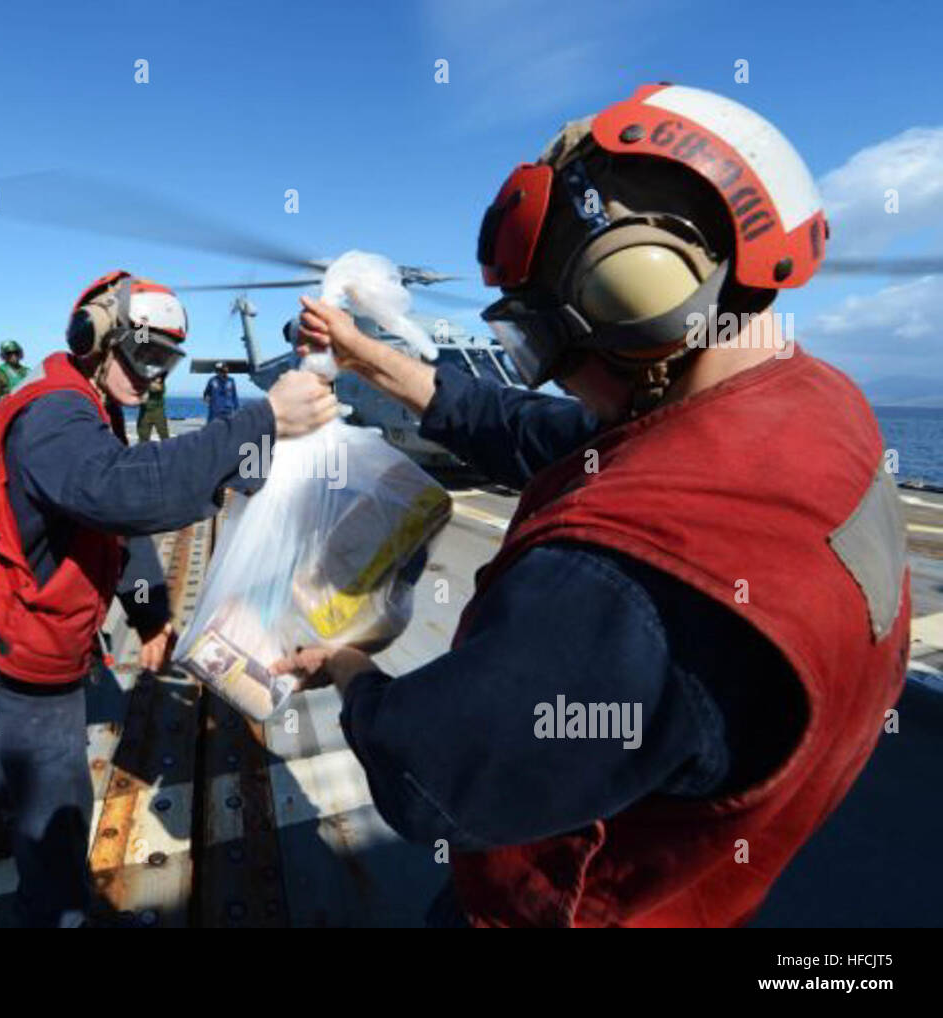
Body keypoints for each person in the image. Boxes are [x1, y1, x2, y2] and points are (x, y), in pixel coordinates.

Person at [281, 83, 910, 928]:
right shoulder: (815, 406)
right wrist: (366, 359)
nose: (541, 369)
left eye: (541, 337)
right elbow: (540, 429)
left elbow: (435, 778)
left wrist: (352, 672)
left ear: (631, 300)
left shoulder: (624, 578)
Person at [0, 271, 335, 927]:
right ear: (95, 337)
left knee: (5, 745)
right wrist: (260, 419)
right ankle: (56, 912)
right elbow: (119, 493)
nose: (154, 376)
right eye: (146, 355)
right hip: (23, 636)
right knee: (57, 800)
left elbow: (108, 525)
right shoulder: (55, 413)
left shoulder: (89, 403)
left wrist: (148, 612)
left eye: (166, 361)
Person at [0, 340, 30, 407]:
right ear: (3, 356)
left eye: (16, 352)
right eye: (9, 353)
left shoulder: (28, 371)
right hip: (9, 410)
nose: (13, 355)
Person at [136, 376, 170, 442]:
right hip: (144, 412)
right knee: (142, 438)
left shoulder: (159, 380)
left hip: (158, 411)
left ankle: (168, 451)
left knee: (164, 435)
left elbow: (158, 388)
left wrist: (146, 384)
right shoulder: (142, 377)